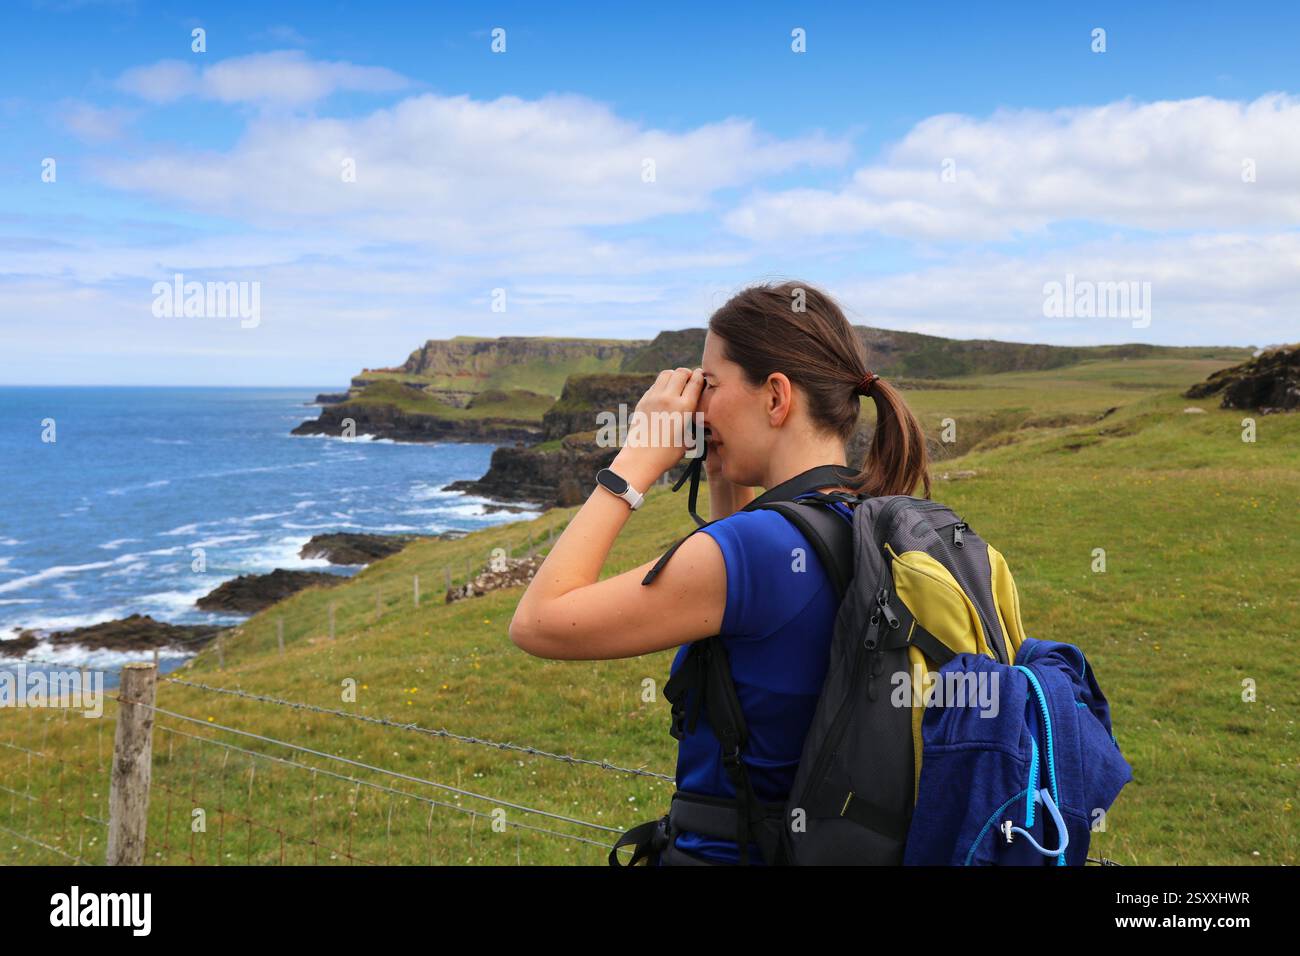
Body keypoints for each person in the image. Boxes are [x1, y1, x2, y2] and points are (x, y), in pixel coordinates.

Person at [509, 280, 931, 864]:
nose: (695, 405)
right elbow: (747, 621)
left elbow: (538, 622)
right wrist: (723, 470)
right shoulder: (862, 518)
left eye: (708, 385)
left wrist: (634, 459)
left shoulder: (757, 550)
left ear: (776, 397)